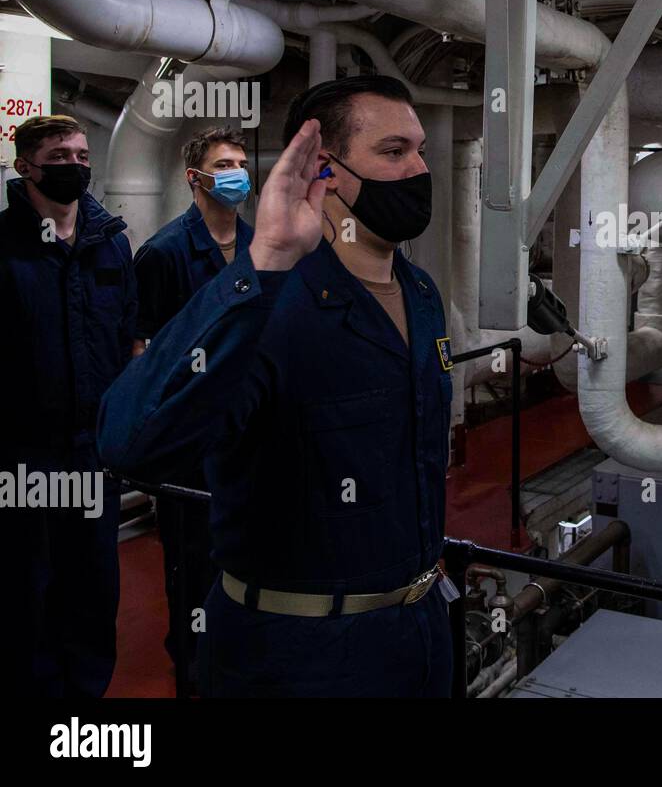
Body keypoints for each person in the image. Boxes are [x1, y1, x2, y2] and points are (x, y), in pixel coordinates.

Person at [99, 75, 456, 697]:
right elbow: (129, 442)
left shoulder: (421, 294)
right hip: (300, 656)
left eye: (419, 150)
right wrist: (265, 257)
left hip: (419, 633)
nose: (420, 169)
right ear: (327, 166)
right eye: (394, 152)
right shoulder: (267, 304)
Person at [0, 114, 137, 696]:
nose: (76, 166)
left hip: (92, 455)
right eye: (60, 156)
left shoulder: (111, 244)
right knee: (24, 587)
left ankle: (83, 702)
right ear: (25, 166)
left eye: (83, 155)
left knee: (92, 585)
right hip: (21, 453)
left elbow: (130, 339)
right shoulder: (2, 245)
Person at [132, 125, 254, 685]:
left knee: (254, 563)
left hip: (255, 437)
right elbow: (144, 359)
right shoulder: (163, 255)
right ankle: (195, 674)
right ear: (195, 178)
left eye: (241, 163)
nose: (236, 173)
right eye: (224, 164)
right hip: (192, 452)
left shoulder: (261, 248)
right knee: (196, 573)